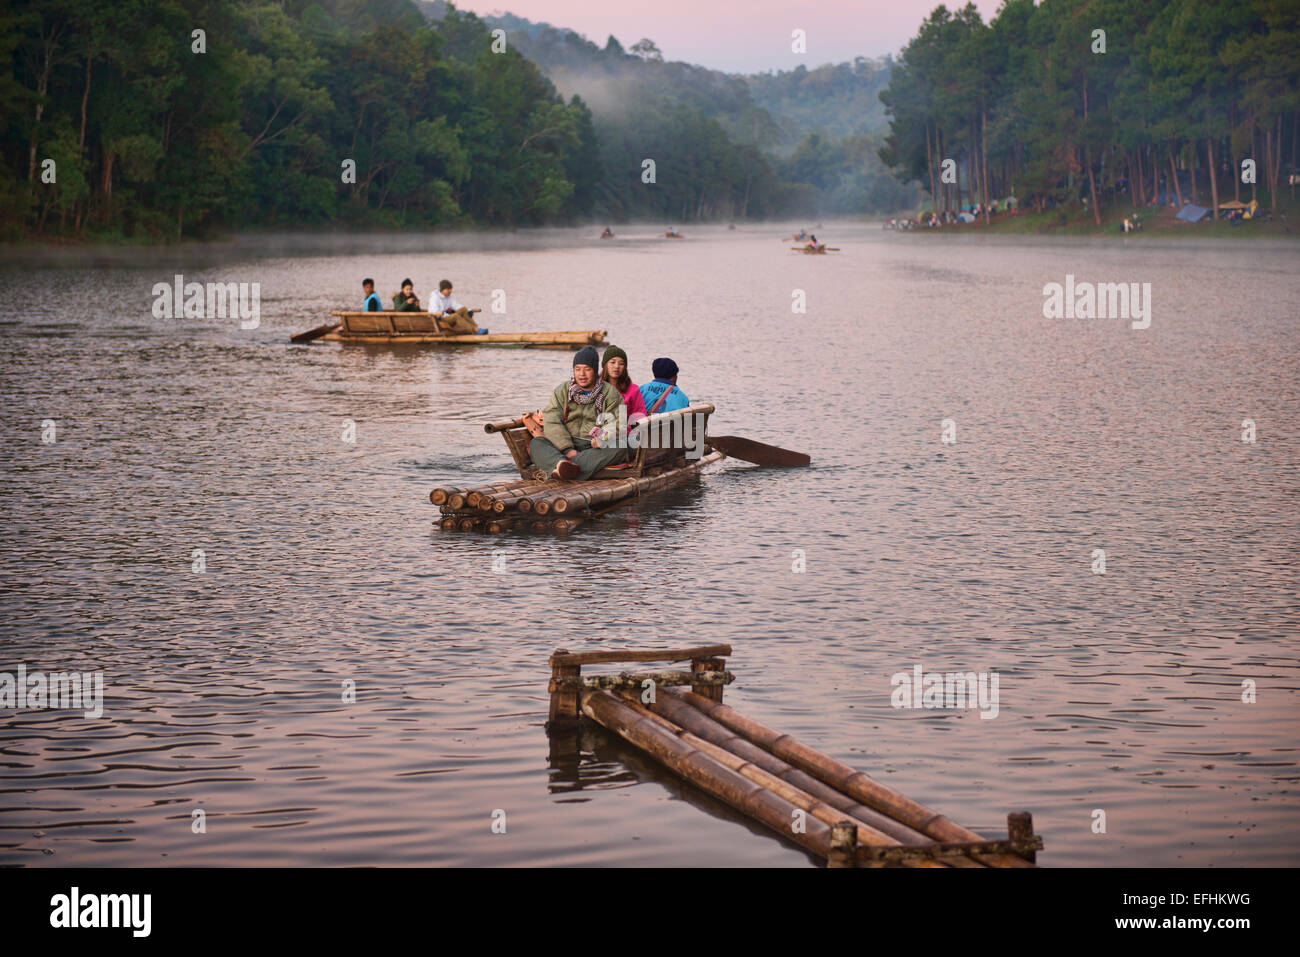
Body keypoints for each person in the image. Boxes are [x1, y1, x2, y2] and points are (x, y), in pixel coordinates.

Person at [529, 346, 627, 481]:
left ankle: (560, 467)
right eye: (578, 369)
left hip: (593, 447)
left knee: (620, 448)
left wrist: (602, 439)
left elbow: (617, 424)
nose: (582, 374)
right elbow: (552, 420)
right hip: (564, 444)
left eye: (587, 369)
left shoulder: (610, 393)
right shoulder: (563, 390)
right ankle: (563, 465)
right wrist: (567, 449)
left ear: (595, 371)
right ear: (573, 370)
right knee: (537, 443)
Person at [601, 345, 646, 424]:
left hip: (625, 434)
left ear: (625, 367)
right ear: (605, 365)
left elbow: (639, 418)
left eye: (621, 363)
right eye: (612, 362)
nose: (617, 366)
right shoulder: (596, 387)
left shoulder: (633, 390)